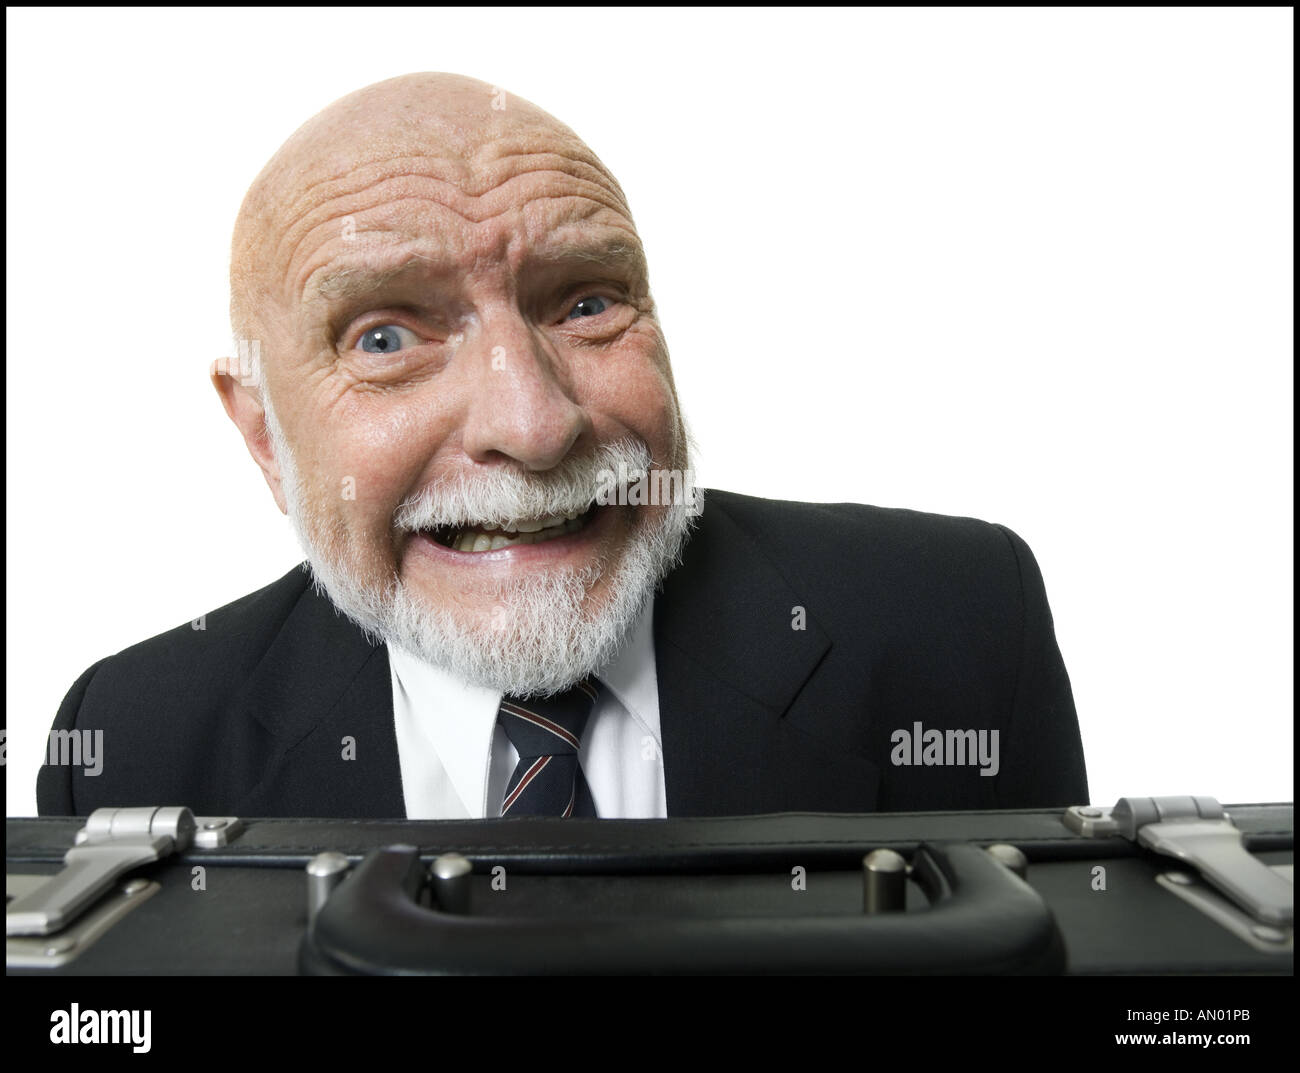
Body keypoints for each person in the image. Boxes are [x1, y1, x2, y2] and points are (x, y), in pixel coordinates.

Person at [37, 73, 1087, 820]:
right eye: (386, 337)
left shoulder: (957, 627)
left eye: (586, 302)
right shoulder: (132, 744)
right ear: (265, 433)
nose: (533, 426)